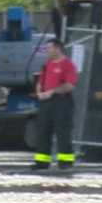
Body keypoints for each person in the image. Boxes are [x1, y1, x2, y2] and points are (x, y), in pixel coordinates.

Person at [31, 38, 78, 170]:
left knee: (63, 131)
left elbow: (70, 85)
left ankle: (65, 162)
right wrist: (40, 92)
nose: (47, 51)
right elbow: (40, 82)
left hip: (61, 102)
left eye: (49, 48)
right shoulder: (47, 64)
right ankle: (42, 162)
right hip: (46, 103)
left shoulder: (68, 65)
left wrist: (52, 92)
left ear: (57, 48)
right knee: (43, 131)